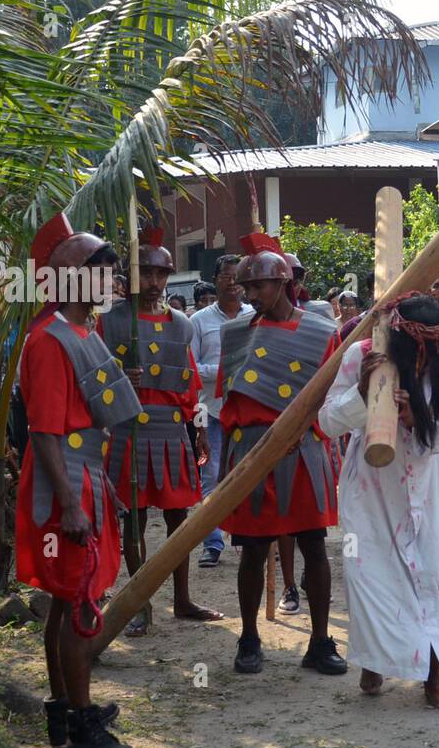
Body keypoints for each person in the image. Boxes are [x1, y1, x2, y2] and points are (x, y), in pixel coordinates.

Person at [17, 214, 140, 748]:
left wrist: (98, 490)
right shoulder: (47, 340)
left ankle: (66, 710)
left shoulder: (80, 333)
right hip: (61, 482)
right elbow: (44, 432)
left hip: (82, 476)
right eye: (102, 274)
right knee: (77, 603)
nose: (111, 284)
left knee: (65, 602)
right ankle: (84, 731)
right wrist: (70, 502)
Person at [319, 293, 439, 708]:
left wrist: (416, 417)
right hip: (371, 487)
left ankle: (434, 676)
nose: (425, 355)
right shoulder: (361, 354)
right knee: (371, 577)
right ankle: (376, 659)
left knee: (434, 576)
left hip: (426, 485)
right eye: (418, 348)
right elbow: (328, 421)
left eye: (433, 348)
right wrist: (361, 393)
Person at [216, 232, 344, 676]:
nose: (250, 296)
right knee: (252, 550)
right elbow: (227, 404)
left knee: (315, 546)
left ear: (283, 284)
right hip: (252, 451)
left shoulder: (322, 334)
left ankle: (321, 641)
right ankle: (248, 638)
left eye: (257, 287)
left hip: (304, 450)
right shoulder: (236, 335)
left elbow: (330, 400)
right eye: (245, 288)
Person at [99, 229, 222, 635]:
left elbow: (190, 387)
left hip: (172, 432)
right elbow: (94, 383)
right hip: (129, 431)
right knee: (133, 519)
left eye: (161, 273)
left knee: (179, 520)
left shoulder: (182, 325)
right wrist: (119, 379)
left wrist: (199, 430)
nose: (154, 282)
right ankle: (139, 604)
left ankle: (182, 598)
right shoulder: (110, 323)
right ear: (131, 276)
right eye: (146, 272)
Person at [191, 254, 252, 568]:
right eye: (226, 276)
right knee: (211, 476)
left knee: (249, 474)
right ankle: (211, 542)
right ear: (215, 280)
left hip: (249, 410)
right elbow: (191, 370)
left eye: (237, 276)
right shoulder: (199, 321)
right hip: (211, 412)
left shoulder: (255, 315)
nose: (232, 282)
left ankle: (247, 537)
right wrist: (227, 370)